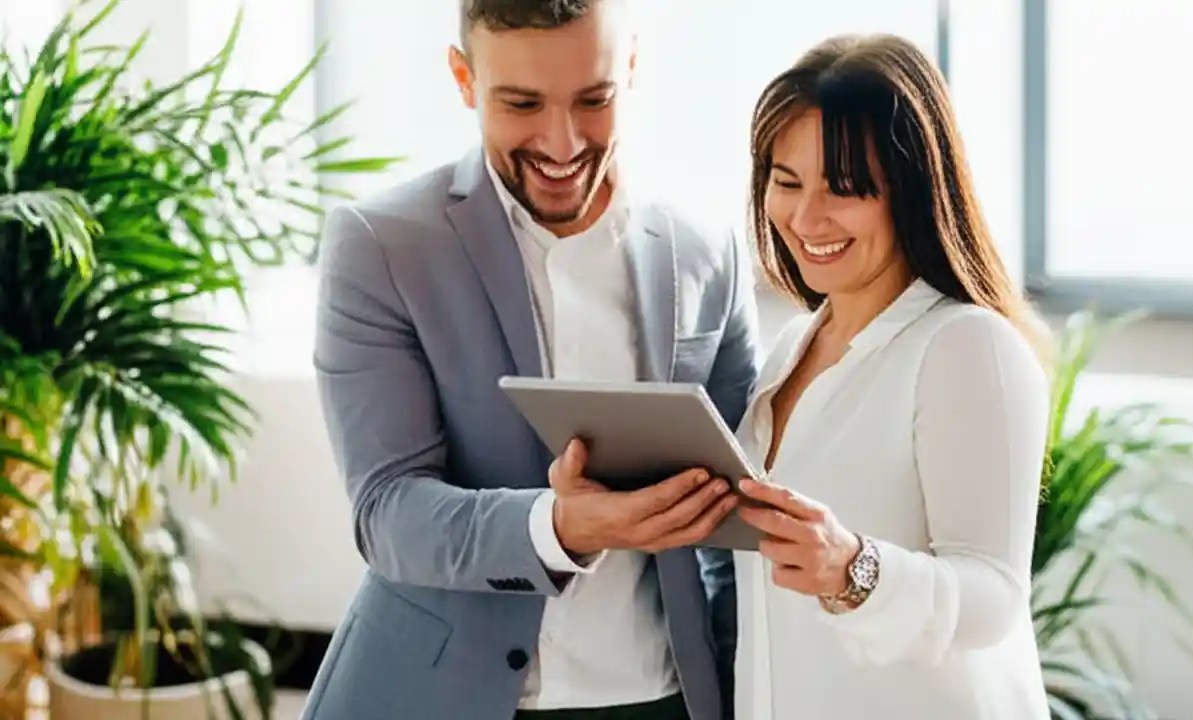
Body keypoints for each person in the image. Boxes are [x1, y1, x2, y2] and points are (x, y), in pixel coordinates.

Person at [301, 1, 758, 719]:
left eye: (594, 99)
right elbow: (387, 511)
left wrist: (746, 692)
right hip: (440, 693)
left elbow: (745, 515)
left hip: (665, 694)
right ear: (463, 78)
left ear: (630, 68)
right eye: (521, 103)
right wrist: (563, 527)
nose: (563, 141)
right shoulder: (383, 246)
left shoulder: (706, 250)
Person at [729, 34, 1053, 719]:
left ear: (910, 193)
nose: (807, 217)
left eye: (845, 189)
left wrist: (853, 568)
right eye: (787, 183)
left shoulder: (967, 347)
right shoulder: (795, 346)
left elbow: (993, 596)